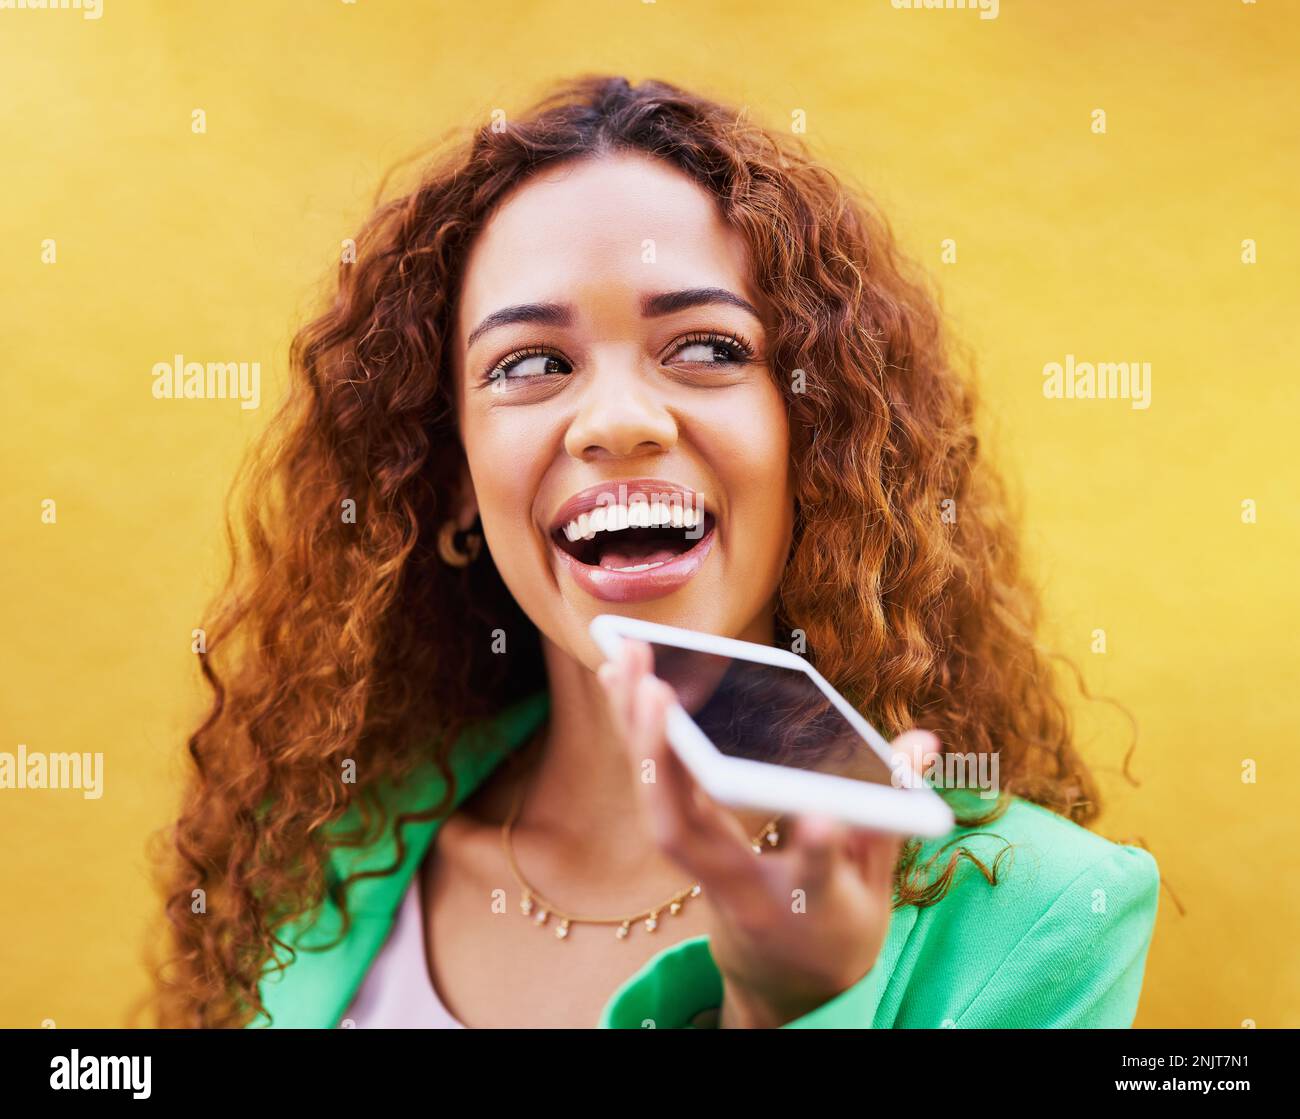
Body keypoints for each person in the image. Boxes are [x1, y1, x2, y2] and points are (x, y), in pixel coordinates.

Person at [149, 74, 1159, 1029]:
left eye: (709, 349)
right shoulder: (326, 846)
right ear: (451, 476)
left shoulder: (1044, 912)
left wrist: (782, 1012)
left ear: (815, 434)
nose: (619, 421)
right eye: (531, 363)